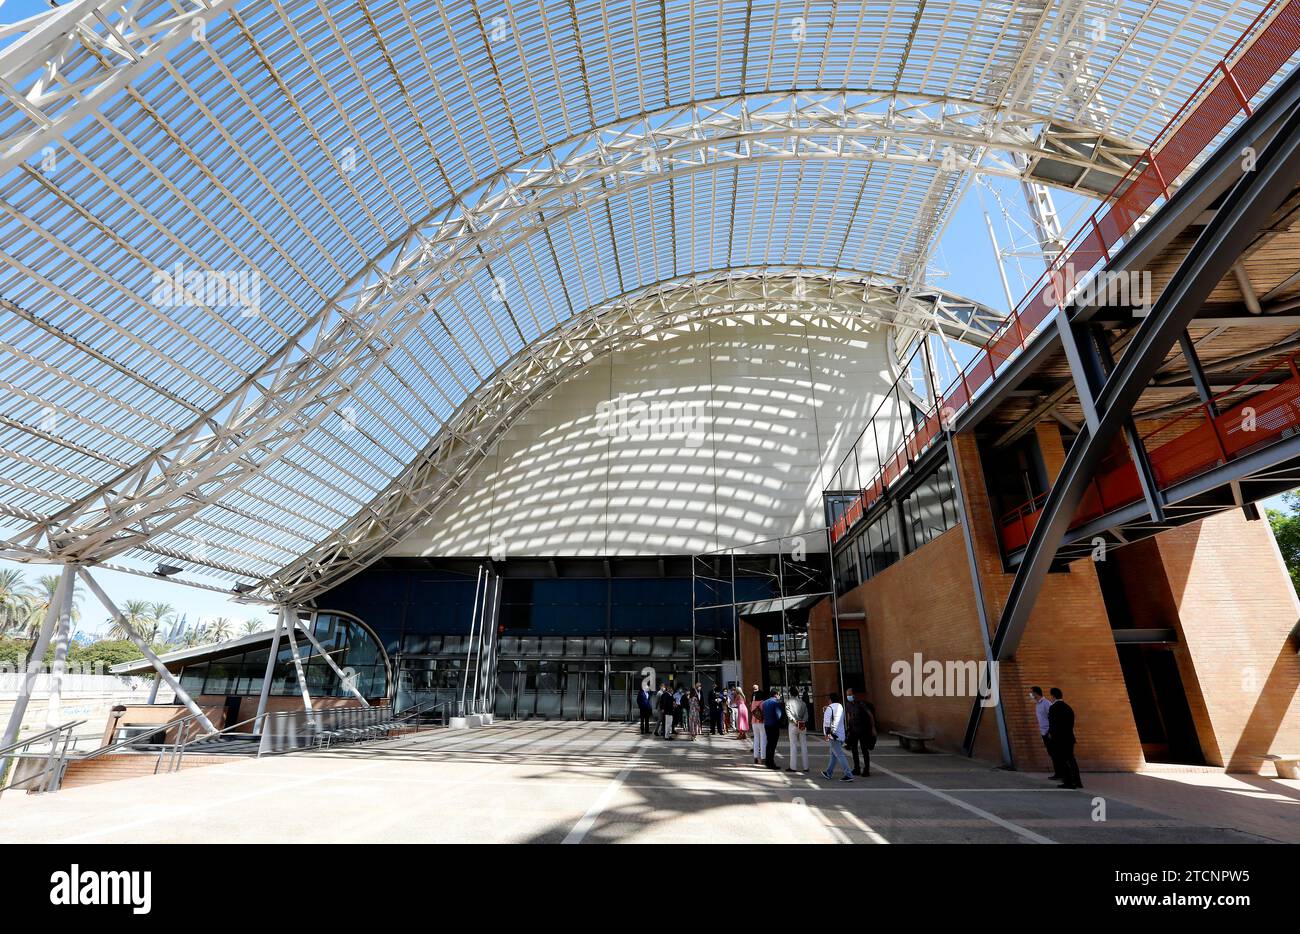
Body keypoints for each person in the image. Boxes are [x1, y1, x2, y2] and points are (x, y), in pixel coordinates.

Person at [1047, 687, 1082, 789]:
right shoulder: (1068, 707)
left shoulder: (1053, 708)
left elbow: (1053, 724)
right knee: (1071, 759)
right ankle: (1077, 781)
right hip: (1069, 737)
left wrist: (1051, 734)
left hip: (1059, 739)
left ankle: (1068, 782)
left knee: (1062, 760)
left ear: (1053, 696)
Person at [821, 692, 854, 781]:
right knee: (833, 755)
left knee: (839, 755)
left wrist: (827, 734)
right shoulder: (840, 707)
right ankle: (829, 772)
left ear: (830, 700)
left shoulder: (830, 708)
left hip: (833, 735)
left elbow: (827, 723)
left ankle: (848, 774)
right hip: (840, 734)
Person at [844, 689, 876, 777]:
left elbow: (870, 715)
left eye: (850, 694)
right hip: (853, 729)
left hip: (863, 729)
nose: (848, 696)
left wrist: (873, 728)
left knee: (864, 749)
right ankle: (857, 768)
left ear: (854, 695)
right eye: (847, 695)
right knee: (854, 749)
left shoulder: (861, 704)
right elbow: (849, 716)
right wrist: (848, 728)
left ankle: (866, 769)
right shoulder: (848, 704)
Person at [1030, 686, 1058, 780]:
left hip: (1049, 732)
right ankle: (1058, 772)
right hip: (1043, 732)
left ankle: (1060, 773)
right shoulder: (1037, 704)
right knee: (1051, 753)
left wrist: (1050, 731)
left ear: (1036, 693)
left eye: (1032, 693)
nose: (1031, 695)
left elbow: (1052, 718)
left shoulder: (1046, 704)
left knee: (1055, 753)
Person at [784, 688, 809, 772]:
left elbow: (788, 714)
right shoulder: (803, 703)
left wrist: (794, 721)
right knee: (804, 745)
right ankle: (806, 767)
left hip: (793, 725)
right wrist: (802, 721)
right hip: (802, 725)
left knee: (793, 746)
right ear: (798, 693)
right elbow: (806, 716)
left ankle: (793, 767)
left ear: (790, 693)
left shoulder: (788, 702)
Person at [760, 687, 784, 769]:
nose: (779, 696)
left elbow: (763, 713)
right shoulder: (775, 703)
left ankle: (768, 761)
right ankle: (771, 763)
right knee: (773, 745)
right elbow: (778, 715)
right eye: (779, 694)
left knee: (769, 743)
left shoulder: (764, 703)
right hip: (774, 725)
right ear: (776, 694)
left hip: (767, 724)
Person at [750, 692, 767, 765]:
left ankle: (755, 757)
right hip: (761, 722)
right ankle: (763, 758)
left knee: (756, 739)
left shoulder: (753, 702)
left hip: (754, 722)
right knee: (763, 739)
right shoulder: (762, 703)